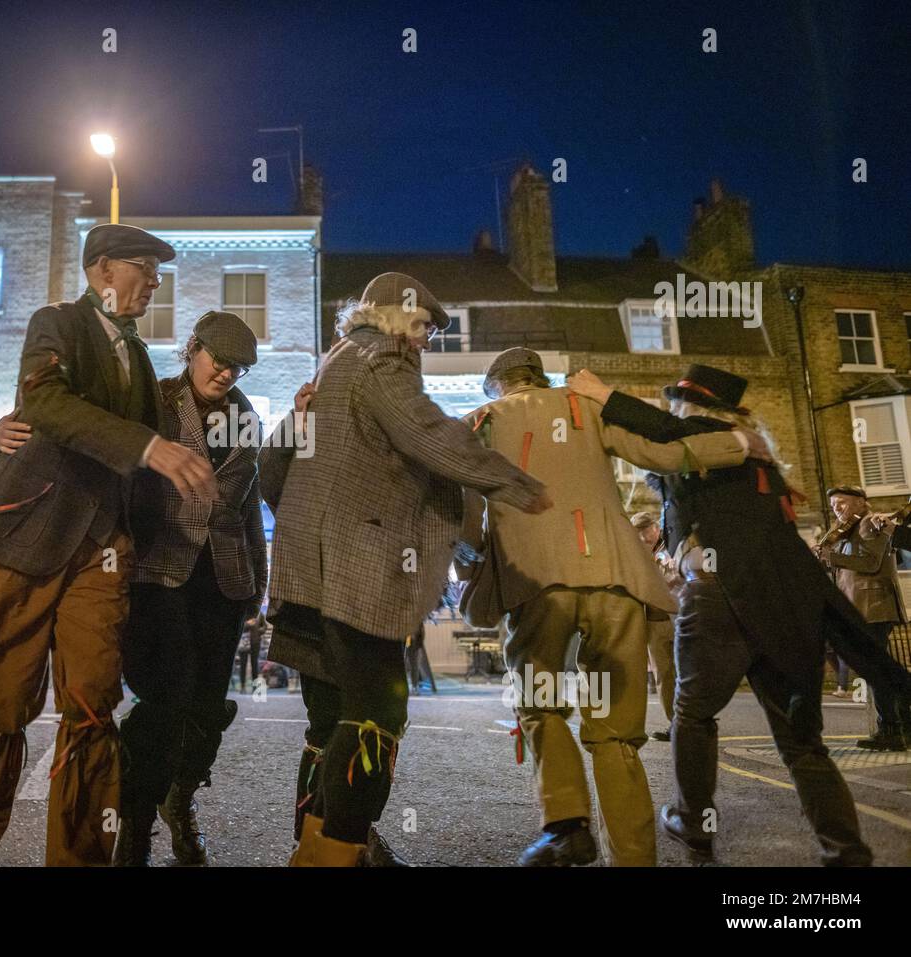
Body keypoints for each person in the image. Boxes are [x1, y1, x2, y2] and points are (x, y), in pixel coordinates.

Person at [262, 272, 551, 867]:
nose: (424, 341)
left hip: (310, 572)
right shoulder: (379, 359)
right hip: (353, 575)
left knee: (332, 717)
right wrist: (517, 484)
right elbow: (429, 436)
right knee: (376, 714)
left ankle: (315, 849)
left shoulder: (335, 364)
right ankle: (336, 853)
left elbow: (275, 470)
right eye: (421, 327)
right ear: (395, 316)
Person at [0, 223, 217, 867]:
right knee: (0, 702)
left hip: (104, 552)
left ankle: (78, 860)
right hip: (26, 535)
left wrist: (138, 533)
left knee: (94, 708)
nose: (155, 280)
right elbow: (45, 401)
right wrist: (147, 446)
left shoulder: (142, 356)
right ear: (103, 269)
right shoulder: (57, 323)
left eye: (158, 271)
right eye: (144, 267)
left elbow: (159, 441)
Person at [568, 365, 903, 865]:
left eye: (677, 403)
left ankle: (692, 820)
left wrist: (600, 393)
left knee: (694, 713)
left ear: (694, 407)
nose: (672, 411)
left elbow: (667, 432)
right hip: (787, 605)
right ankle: (846, 849)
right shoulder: (755, 461)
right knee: (802, 743)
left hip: (721, 595)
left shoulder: (722, 438)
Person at [458, 347, 753, 866]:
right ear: (539, 378)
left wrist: (471, 566)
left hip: (535, 583)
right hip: (617, 579)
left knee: (541, 703)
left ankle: (568, 825)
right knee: (617, 734)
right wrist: (737, 445)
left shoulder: (480, 422)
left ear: (496, 386)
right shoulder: (583, 408)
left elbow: (463, 512)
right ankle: (634, 858)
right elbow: (663, 454)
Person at [114, 311, 267, 866]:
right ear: (193, 349)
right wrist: (6, 429)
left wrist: (257, 587)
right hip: (158, 572)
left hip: (223, 580)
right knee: (167, 696)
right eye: (219, 361)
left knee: (205, 707)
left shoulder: (247, 419)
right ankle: (133, 822)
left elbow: (248, 507)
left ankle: (181, 802)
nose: (227, 374)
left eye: (239, 369)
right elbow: (93, 433)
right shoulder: (154, 400)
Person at [817, 485, 911, 750]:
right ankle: (900, 726)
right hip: (858, 607)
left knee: (877, 670)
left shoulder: (870, 524)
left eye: (843, 502)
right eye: (834, 504)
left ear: (860, 503)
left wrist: (832, 557)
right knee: (879, 669)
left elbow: (870, 563)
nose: (837, 508)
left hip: (874, 606)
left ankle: (892, 730)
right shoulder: (844, 531)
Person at [631, 511, 679, 741]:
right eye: (638, 533)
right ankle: (675, 724)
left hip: (677, 620)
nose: (643, 538)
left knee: (685, 673)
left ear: (656, 528)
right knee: (664, 676)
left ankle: (693, 723)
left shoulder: (670, 550)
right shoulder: (635, 559)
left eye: (646, 531)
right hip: (652, 624)